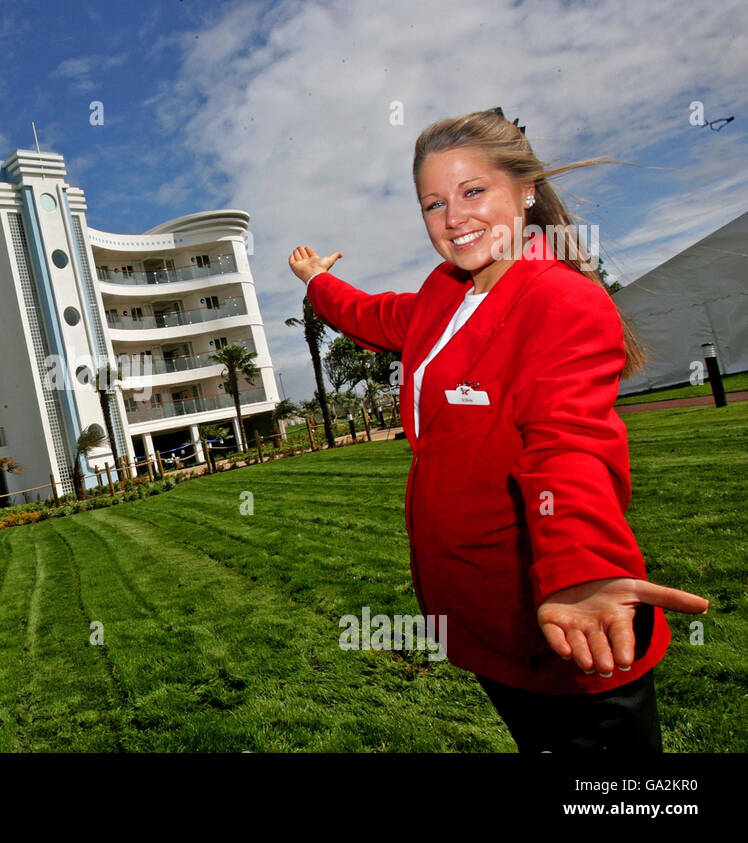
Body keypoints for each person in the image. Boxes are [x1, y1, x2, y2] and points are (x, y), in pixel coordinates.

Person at [289, 107, 709, 752]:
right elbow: (369, 314)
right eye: (432, 203)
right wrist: (317, 280)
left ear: (527, 189)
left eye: (472, 191)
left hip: (564, 623)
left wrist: (581, 567)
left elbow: (568, 444)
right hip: (484, 614)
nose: (453, 218)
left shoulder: (558, 298)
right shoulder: (442, 295)